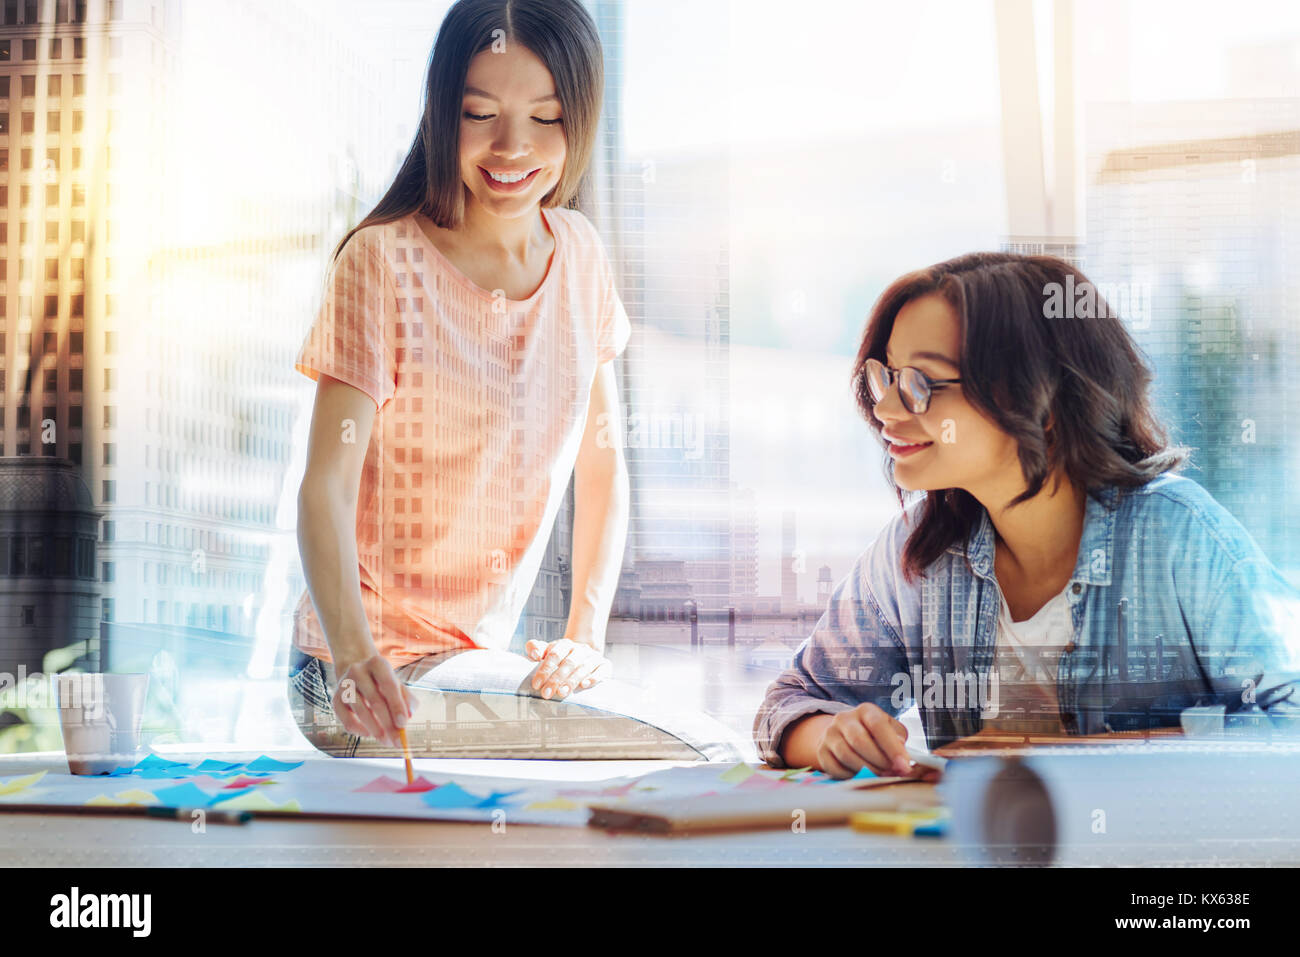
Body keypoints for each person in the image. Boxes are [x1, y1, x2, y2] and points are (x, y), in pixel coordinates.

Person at [753, 252, 1300, 778]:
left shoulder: (1181, 536)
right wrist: (831, 735)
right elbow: (789, 704)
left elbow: (1289, 726)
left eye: (921, 384)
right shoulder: (914, 554)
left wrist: (1045, 761)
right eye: (886, 377)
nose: (886, 409)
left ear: (1040, 403)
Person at [291, 0, 639, 757]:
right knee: (627, 747)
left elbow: (604, 464)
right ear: (442, 109)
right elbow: (325, 487)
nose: (512, 147)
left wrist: (585, 635)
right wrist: (353, 656)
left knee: (634, 735)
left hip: (468, 660)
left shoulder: (580, 257)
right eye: (481, 112)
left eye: (546, 117)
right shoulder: (381, 263)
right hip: (353, 672)